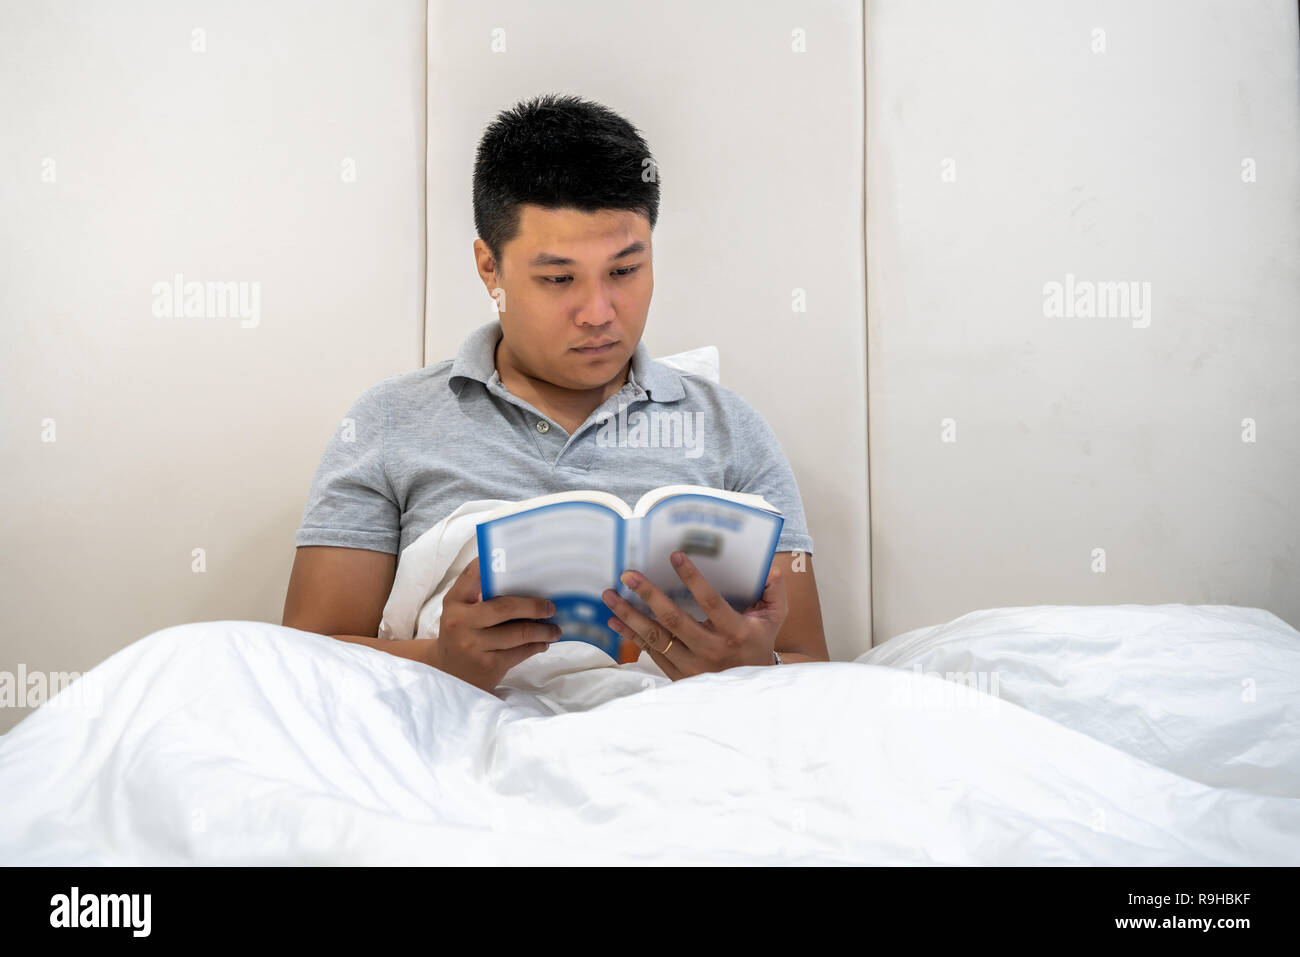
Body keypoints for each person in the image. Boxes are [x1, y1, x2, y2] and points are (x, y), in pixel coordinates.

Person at [282, 93, 828, 692]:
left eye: (624, 270)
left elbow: (809, 663)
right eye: (558, 279)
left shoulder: (731, 430)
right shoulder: (389, 422)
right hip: (459, 743)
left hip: (678, 747)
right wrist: (443, 661)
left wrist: (752, 671)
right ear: (489, 268)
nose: (598, 313)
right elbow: (304, 660)